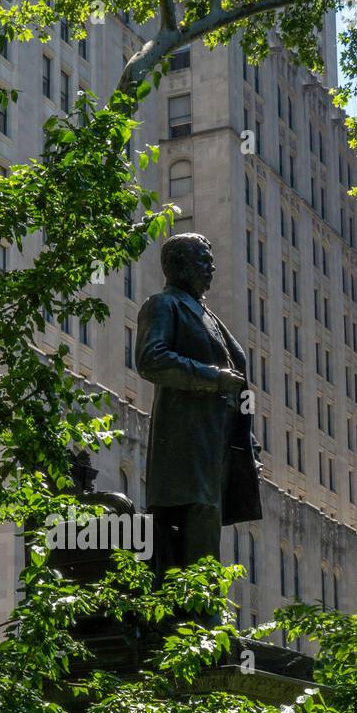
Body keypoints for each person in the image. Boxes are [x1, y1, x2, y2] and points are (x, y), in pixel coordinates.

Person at [135, 233, 262, 579]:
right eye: (203, 260)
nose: (212, 267)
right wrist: (212, 377)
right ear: (179, 265)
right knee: (192, 527)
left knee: (206, 525)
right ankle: (196, 619)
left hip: (215, 447)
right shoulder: (163, 305)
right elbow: (151, 359)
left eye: (210, 260)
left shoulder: (207, 315)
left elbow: (239, 387)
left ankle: (203, 614)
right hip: (184, 447)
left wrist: (247, 447)